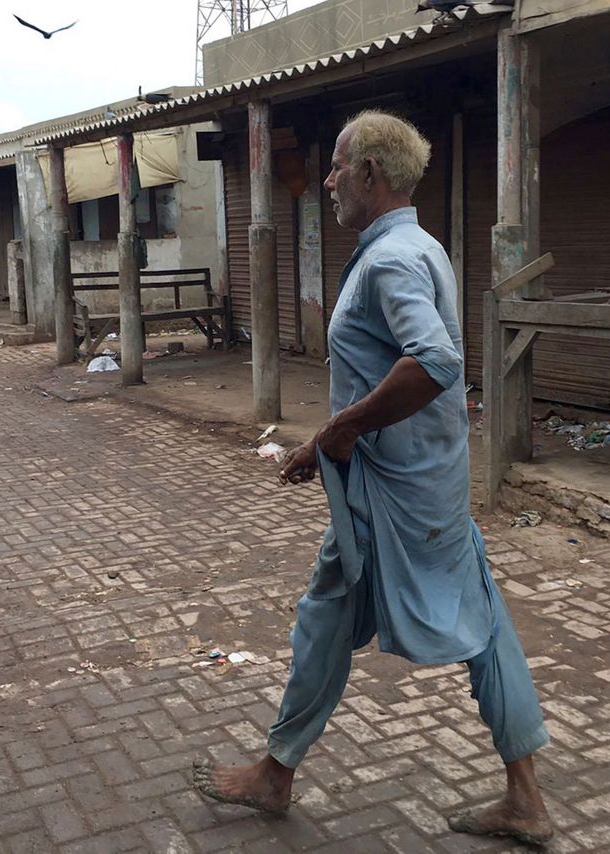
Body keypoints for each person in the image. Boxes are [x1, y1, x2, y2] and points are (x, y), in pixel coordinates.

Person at [192, 110, 553, 846]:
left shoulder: (390, 260)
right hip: (420, 487)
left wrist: (342, 429)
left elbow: (436, 362)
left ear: (369, 175)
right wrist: (326, 443)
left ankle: (278, 773)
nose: (325, 182)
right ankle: (518, 797)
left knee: (384, 620)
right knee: (382, 615)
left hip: (399, 498)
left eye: (335, 167)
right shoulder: (418, 246)